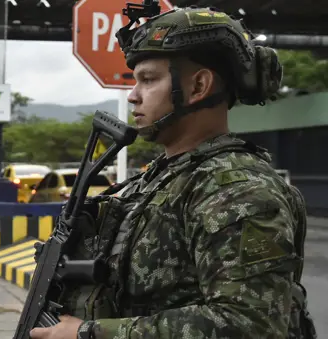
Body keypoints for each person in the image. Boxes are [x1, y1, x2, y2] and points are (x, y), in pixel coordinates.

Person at [28, 6, 315, 339]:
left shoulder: (237, 188)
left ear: (198, 86)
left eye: (148, 80)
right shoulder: (161, 178)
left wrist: (90, 334)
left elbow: (250, 325)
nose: (133, 96)